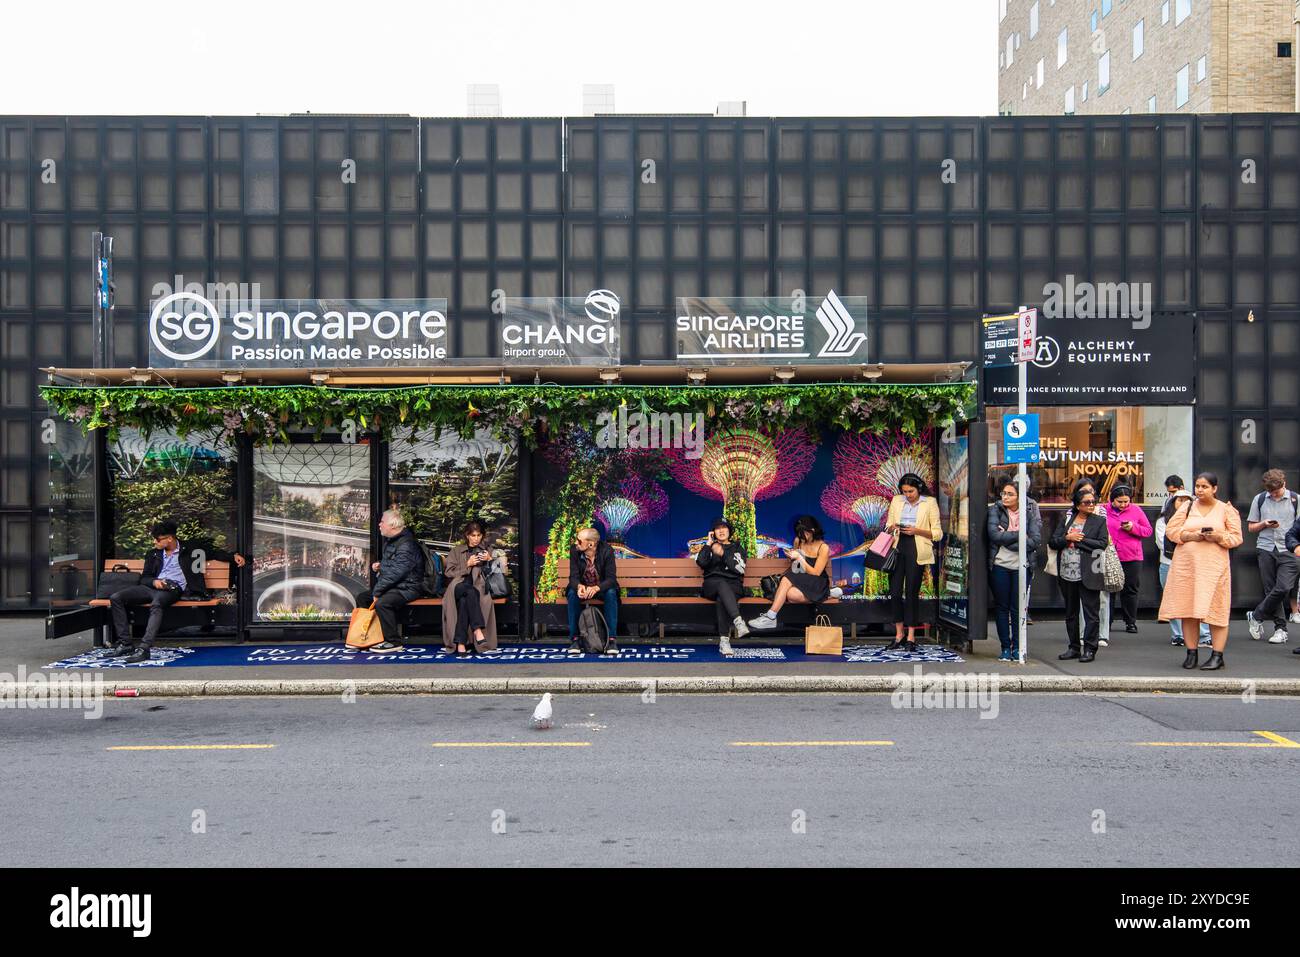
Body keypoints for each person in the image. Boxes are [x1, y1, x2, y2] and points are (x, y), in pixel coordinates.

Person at [105, 520, 247, 663]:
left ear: (170, 538)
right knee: (116, 597)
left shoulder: (190, 549)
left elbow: (213, 552)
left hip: (173, 589)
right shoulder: (153, 554)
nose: (155, 542)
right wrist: (155, 582)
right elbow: (145, 578)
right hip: (151, 588)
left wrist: (233, 556)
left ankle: (144, 648)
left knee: (157, 604)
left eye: (158, 539)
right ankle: (125, 644)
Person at [1158, 472, 1243, 671]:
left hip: (1214, 568)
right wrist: (1191, 535)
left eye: (1205, 486)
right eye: (1197, 486)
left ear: (1215, 488)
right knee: (1188, 610)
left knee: (1216, 610)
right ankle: (1191, 653)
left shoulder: (1226, 510)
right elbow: (1171, 531)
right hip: (1186, 567)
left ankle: (1217, 655)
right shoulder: (1187, 507)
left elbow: (1236, 537)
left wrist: (1218, 537)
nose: (1200, 490)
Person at [883, 474, 943, 653]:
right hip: (897, 547)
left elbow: (938, 533)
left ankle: (911, 637)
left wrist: (917, 530)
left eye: (911, 491)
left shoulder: (929, 503)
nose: (908, 495)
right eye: (905, 491)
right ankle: (898, 634)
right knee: (894, 592)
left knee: (911, 592)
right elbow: (887, 525)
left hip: (917, 548)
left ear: (919, 488)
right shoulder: (896, 500)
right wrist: (892, 527)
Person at [1050, 485, 1110, 663]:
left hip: (1090, 572)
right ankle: (1074, 647)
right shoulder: (1067, 520)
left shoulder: (1099, 521)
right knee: (1071, 612)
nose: (1091, 505)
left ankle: (1090, 648)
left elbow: (1101, 544)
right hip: (1067, 572)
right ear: (1077, 505)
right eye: (1086, 502)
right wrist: (1067, 538)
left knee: (1091, 612)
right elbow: (1053, 541)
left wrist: (1079, 540)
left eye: (1093, 502)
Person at [986, 475, 1042, 661]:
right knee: (1002, 608)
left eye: (1010, 494)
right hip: (1000, 564)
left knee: (1017, 609)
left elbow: (1035, 541)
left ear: (1020, 496)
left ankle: (1018, 647)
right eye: (1004, 493)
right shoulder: (996, 510)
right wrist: (1020, 536)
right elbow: (994, 536)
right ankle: (1005, 648)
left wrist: (1009, 537)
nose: (1005, 497)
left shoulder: (1029, 512)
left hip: (1022, 565)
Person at [355, 509, 426, 654]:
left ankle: (393, 641)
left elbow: (397, 573)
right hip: (397, 585)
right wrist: (381, 565)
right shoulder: (393, 541)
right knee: (362, 598)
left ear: (392, 525)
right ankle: (370, 635)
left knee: (382, 603)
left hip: (408, 587)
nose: (379, 524)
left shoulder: (406, 545)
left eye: (382, 522)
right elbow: (395, 566)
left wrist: (378, 591)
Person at [747, 515, 831, 631]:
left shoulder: (823, 547)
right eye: (799, 534)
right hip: (802, 578)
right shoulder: (798, 541)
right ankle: (829, 593)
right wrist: (792, 557)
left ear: (813, 531)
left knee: (787, 578)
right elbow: (797, 569)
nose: (802, 537)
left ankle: (771, 616)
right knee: (791, 595)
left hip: (817, 582)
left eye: (804, 534)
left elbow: (816, 573)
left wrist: (800, 558)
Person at [1245, 468, 1299, 645]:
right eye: (1271, 492)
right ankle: (1280, 629)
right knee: (1270, 589)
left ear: (1284, 484)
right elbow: (1251, 527)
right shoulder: (1260, 499)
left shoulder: (1296, 500)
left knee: (1283, 587)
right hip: (1266, 547)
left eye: (1277, 491)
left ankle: (1256, 615)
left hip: (1288, 549)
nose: (1274, 494)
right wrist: (1264, 523)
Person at [1155, 475, 1210, 647]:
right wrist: (1191, 538)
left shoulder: (1199, 520)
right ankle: (1178, 634)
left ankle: (1203, 635)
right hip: (1168, 563)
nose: (1184, 503)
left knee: (1198, 598)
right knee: (1174, 600)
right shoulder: (1162, 521)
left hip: (1195, 564)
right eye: (1180, 500)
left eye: (1187, 500)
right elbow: (1163, 542)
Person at [442, 520, 500, 656]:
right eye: (473, 535)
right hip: (457, 586)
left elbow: (499, 571)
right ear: (467, 535)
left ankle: (461, 643)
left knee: (466, 600)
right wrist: (467, 564)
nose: (476, 539)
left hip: (477, 587)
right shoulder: (457, 551)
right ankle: (477, 630)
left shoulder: (487, 550)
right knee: (470, 591)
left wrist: (490, 559)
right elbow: (449, 573)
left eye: (478, 535)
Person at [695, 517, 748, 657]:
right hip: (712, 585)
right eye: (717, 528)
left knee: (721, 599)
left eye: (724, 527)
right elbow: (701, 562)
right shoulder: (710, 547)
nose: (721, 530)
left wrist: (723, 554)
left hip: (733, 586)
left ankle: (724, 642)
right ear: (713, 532)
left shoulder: (737, 548)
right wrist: (708, 544)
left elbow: (740, 569)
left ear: (729, 531)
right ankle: (738, 620)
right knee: (720, 583)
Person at [1068, 477, 1112, 643]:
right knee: (1080, 599)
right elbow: (1063, 536)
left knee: (1101, 598)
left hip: (1096, 558)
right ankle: (1082, 634)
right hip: (1075, 560)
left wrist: (1079, 539)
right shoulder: (1071, 513)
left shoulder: (1101, 513)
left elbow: (1103, 540)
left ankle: (1102, 634)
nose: (1089, 499)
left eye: (1092, 493)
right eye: (1084, 493)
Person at [1106, 485, 1152, 634]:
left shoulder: (1136, 510)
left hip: (1132, 556)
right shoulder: (1102, 509)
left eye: (1126, 501)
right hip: (1110, 555)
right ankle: (1107, 621)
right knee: (1108, 589)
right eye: (1120, 501)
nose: (1124, 504)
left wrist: (1133, 528)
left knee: (1130, 589)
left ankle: (1130, 622)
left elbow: (1148, 531)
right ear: (1112, 500)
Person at [566, 527, 619, 654]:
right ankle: (575, 640)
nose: (576, 543)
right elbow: (573, 577)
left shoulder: (607, 551)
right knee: (572, 594)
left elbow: (611, 579)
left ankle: (611, 640)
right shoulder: (575, 551)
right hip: (583, 588)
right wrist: (579, 586)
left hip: (600, 589)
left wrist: (596, 588)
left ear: (590, 544)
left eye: (579, 541)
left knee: (611, 593)